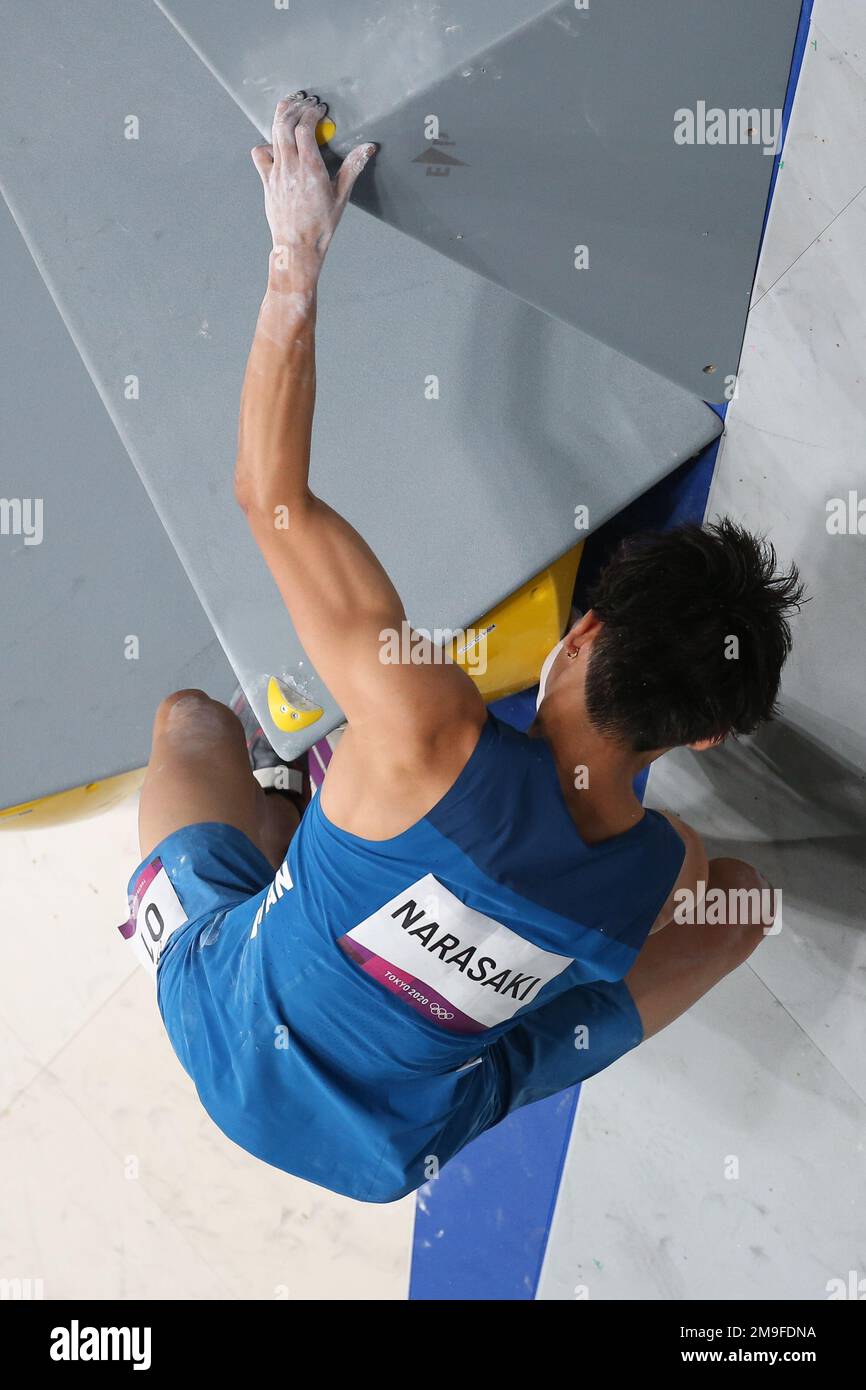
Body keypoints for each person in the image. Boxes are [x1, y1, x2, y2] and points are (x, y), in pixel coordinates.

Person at [122, 94, 804, 1202]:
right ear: (709, 733)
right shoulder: (645, 882)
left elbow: (268, 496)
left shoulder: (421, 726)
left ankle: (280, 800)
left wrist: (296, 252)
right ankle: (308, 825)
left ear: (580, 634)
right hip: (392, 1148)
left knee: (189, 723)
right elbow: (707, 884)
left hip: (227, 1019)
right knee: (732, 907)